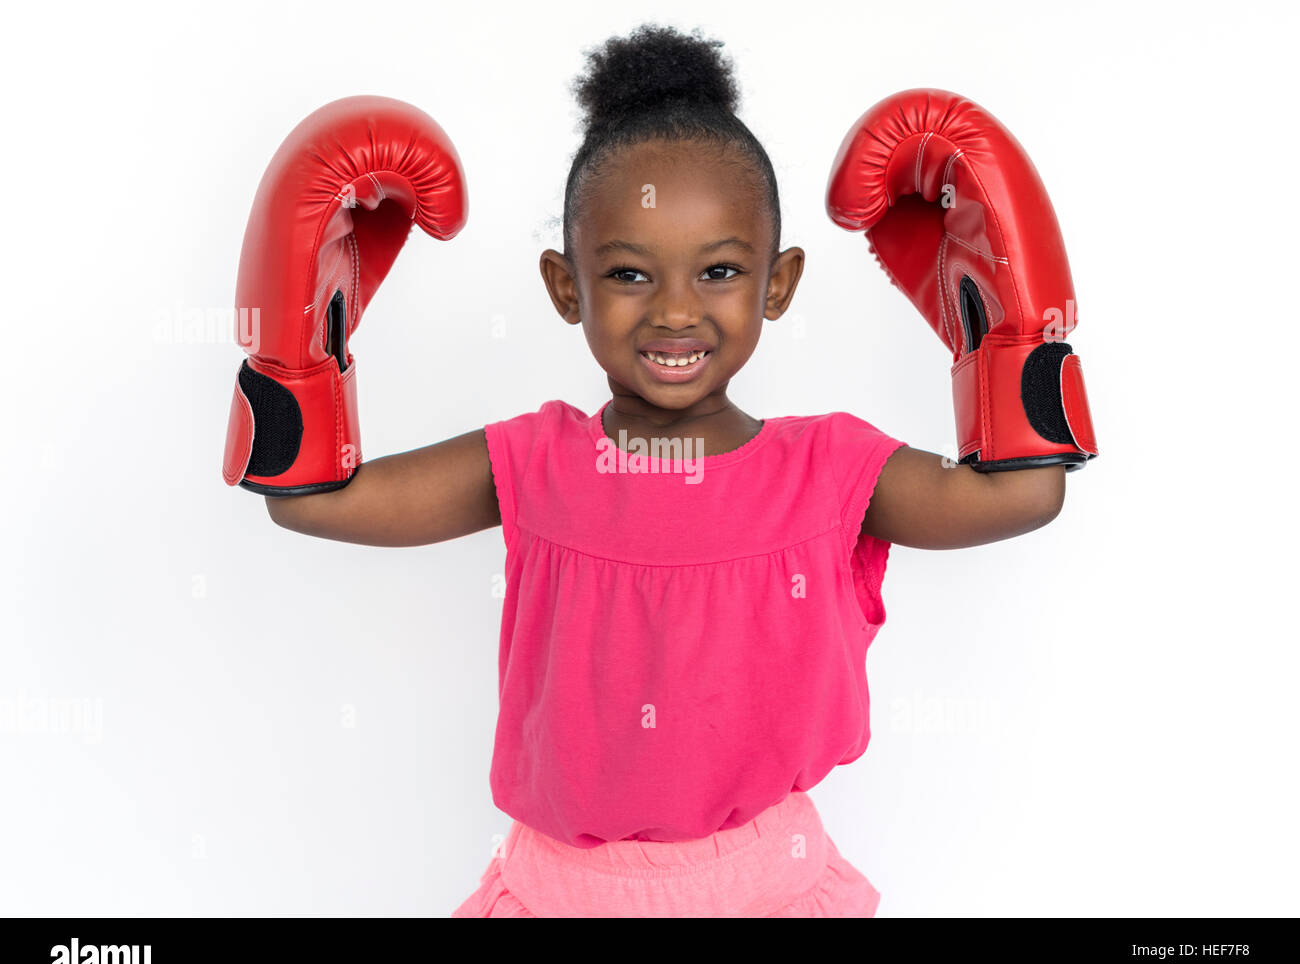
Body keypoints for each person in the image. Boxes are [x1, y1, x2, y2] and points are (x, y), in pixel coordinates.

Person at [229, 24, 1094, 917]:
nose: (676, 310)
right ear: (567, 288)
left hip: (773, 887)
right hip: (562, 894)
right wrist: (299, 354)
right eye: (630, 275)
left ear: (778, 284)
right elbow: (312, 502)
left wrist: (1009, 339)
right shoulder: (531, 463)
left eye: (719, 270)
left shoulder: (832, 469)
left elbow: (1026, 491)